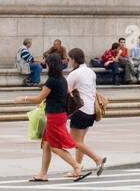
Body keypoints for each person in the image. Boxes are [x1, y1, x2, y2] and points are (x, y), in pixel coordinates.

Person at [13, 53, 86, 182]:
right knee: (46, 145)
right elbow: (67, 94)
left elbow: (39, 98)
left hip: (54, 116)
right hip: (60, 114)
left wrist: (23, 98)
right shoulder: (62, 79)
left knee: (54, 146)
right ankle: (42, 174)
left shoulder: (52, 81)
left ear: (50, 65)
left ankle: (76, 165)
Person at [66, 48, 107, 178]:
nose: (68, 61)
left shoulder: (74, 74)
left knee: (75, 142)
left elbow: (66, 90)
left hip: (80, 110)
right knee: (80, 141)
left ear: (73, 60)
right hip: (91, 110)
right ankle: (77, 169)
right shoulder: (90, 72)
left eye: (69, 59)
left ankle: (97, 159)